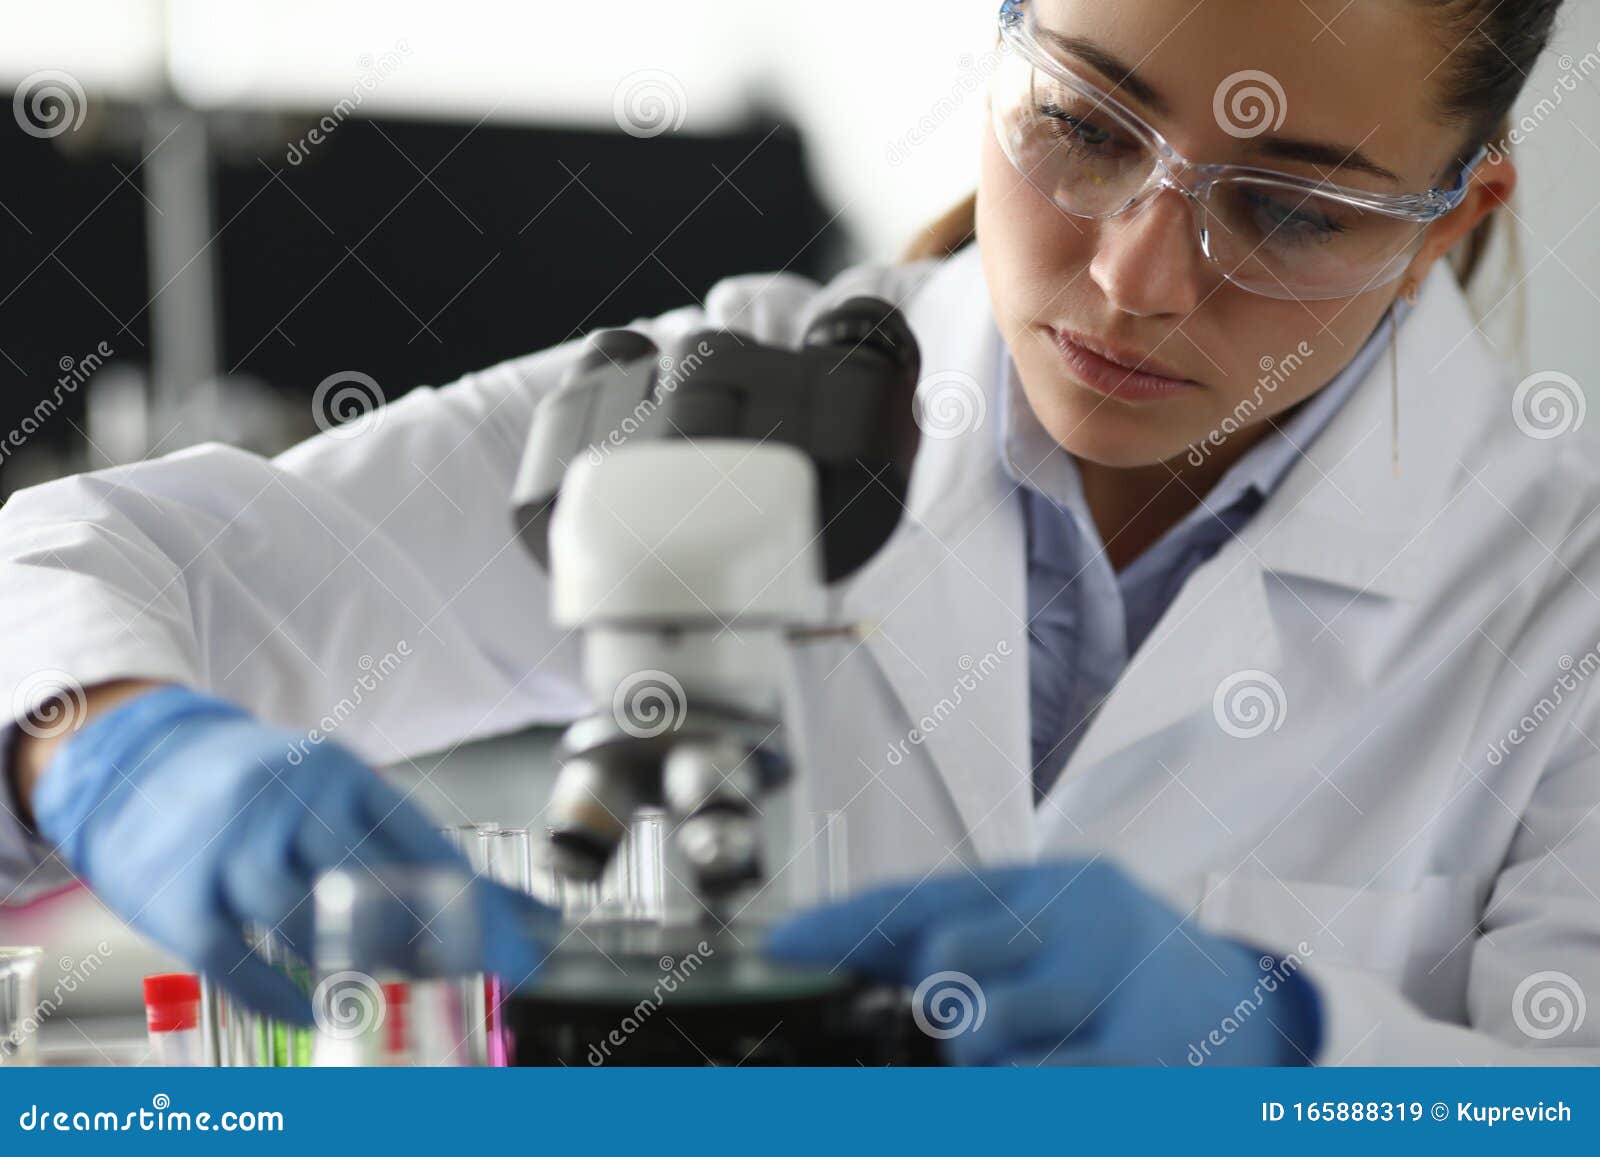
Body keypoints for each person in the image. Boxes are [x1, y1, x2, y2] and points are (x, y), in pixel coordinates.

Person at [2, 0, 1593, 1065]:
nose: (1139, 278)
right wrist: (117, 753)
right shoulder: (729, 398)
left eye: (1293, 210)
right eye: (1087, 127)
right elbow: (88, 566)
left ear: (1449, 219)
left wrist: (1286, 1045)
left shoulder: (1559, 593)